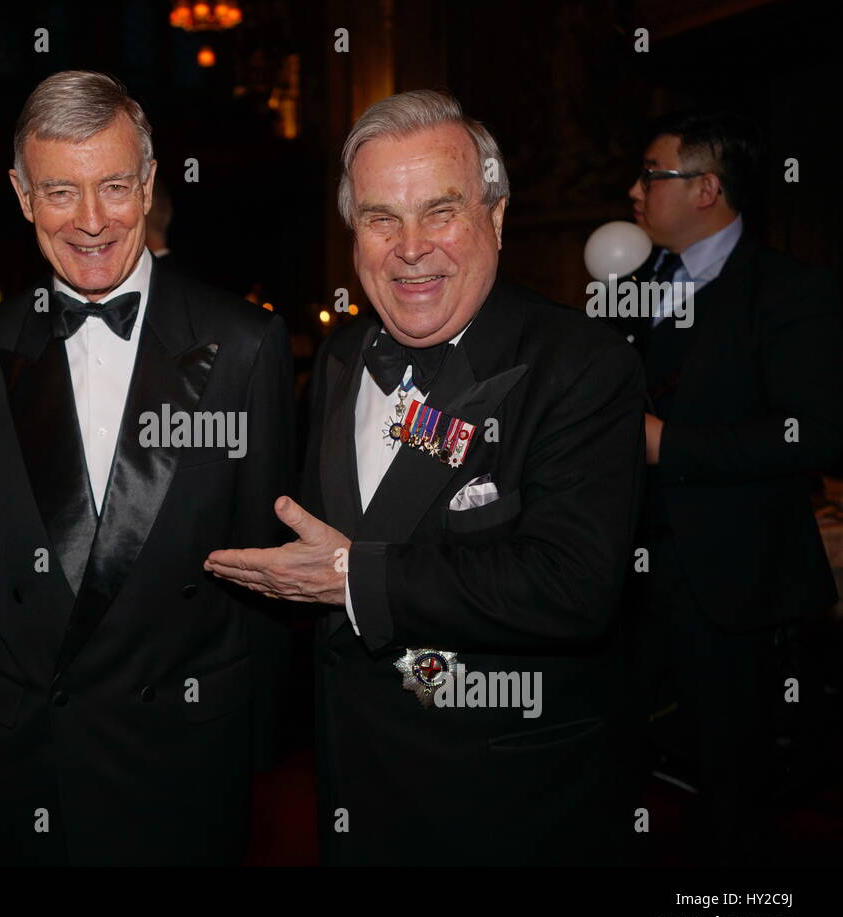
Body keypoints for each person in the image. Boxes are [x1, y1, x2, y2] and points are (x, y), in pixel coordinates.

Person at [206, 90, 647, 865]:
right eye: (381, 218)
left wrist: (350, 577)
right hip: (353, 787)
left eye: (440, 211)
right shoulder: (341, 359)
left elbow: (573, 585)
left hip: (509, 801)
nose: (410, 247)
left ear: (497, 217)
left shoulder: (581, 365)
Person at [0, 70, 294, 865]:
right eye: (61, 192)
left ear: (149, 183)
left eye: (114, 186)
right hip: (26, 750)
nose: (92, 221)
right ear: (23, 195)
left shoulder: (244, 343)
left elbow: (263, 575)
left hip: (179, 751)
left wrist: (250, 745)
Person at [614, 110, 843, 863]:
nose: (635, 190)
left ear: (707, 187)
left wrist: (666, 444)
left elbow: (812, 434)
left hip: (733, 581)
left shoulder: (788, 291)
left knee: (730, 787)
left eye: (653, 173)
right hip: (622, 569)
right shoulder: (631, 284)